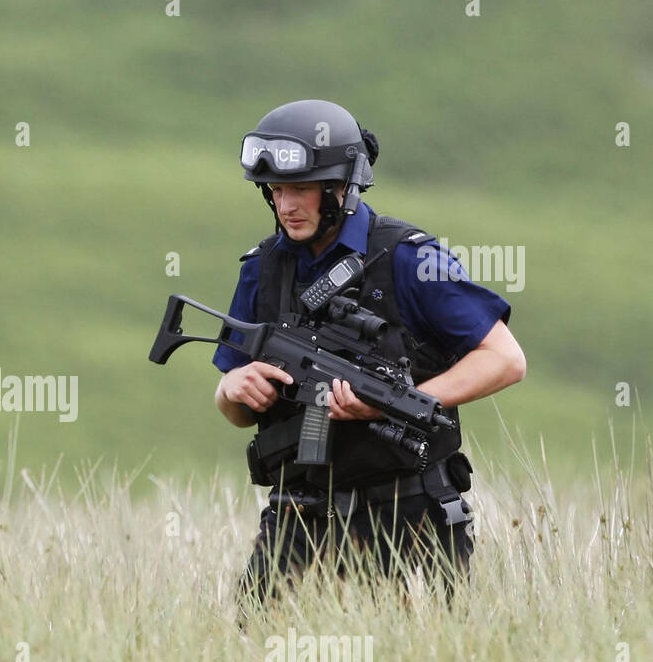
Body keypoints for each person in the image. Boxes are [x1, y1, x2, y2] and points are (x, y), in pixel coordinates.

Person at [213, 99, 526, 602]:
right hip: (298, 516)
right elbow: (237, 413)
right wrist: (231, 389)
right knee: (253, 658)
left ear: (340, 188)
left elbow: (505, 360)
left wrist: (400, 399)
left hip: (410, 512)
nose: (286, 205)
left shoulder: (408, 258)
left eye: (301, 188)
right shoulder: (263, 268)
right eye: (275, 191)